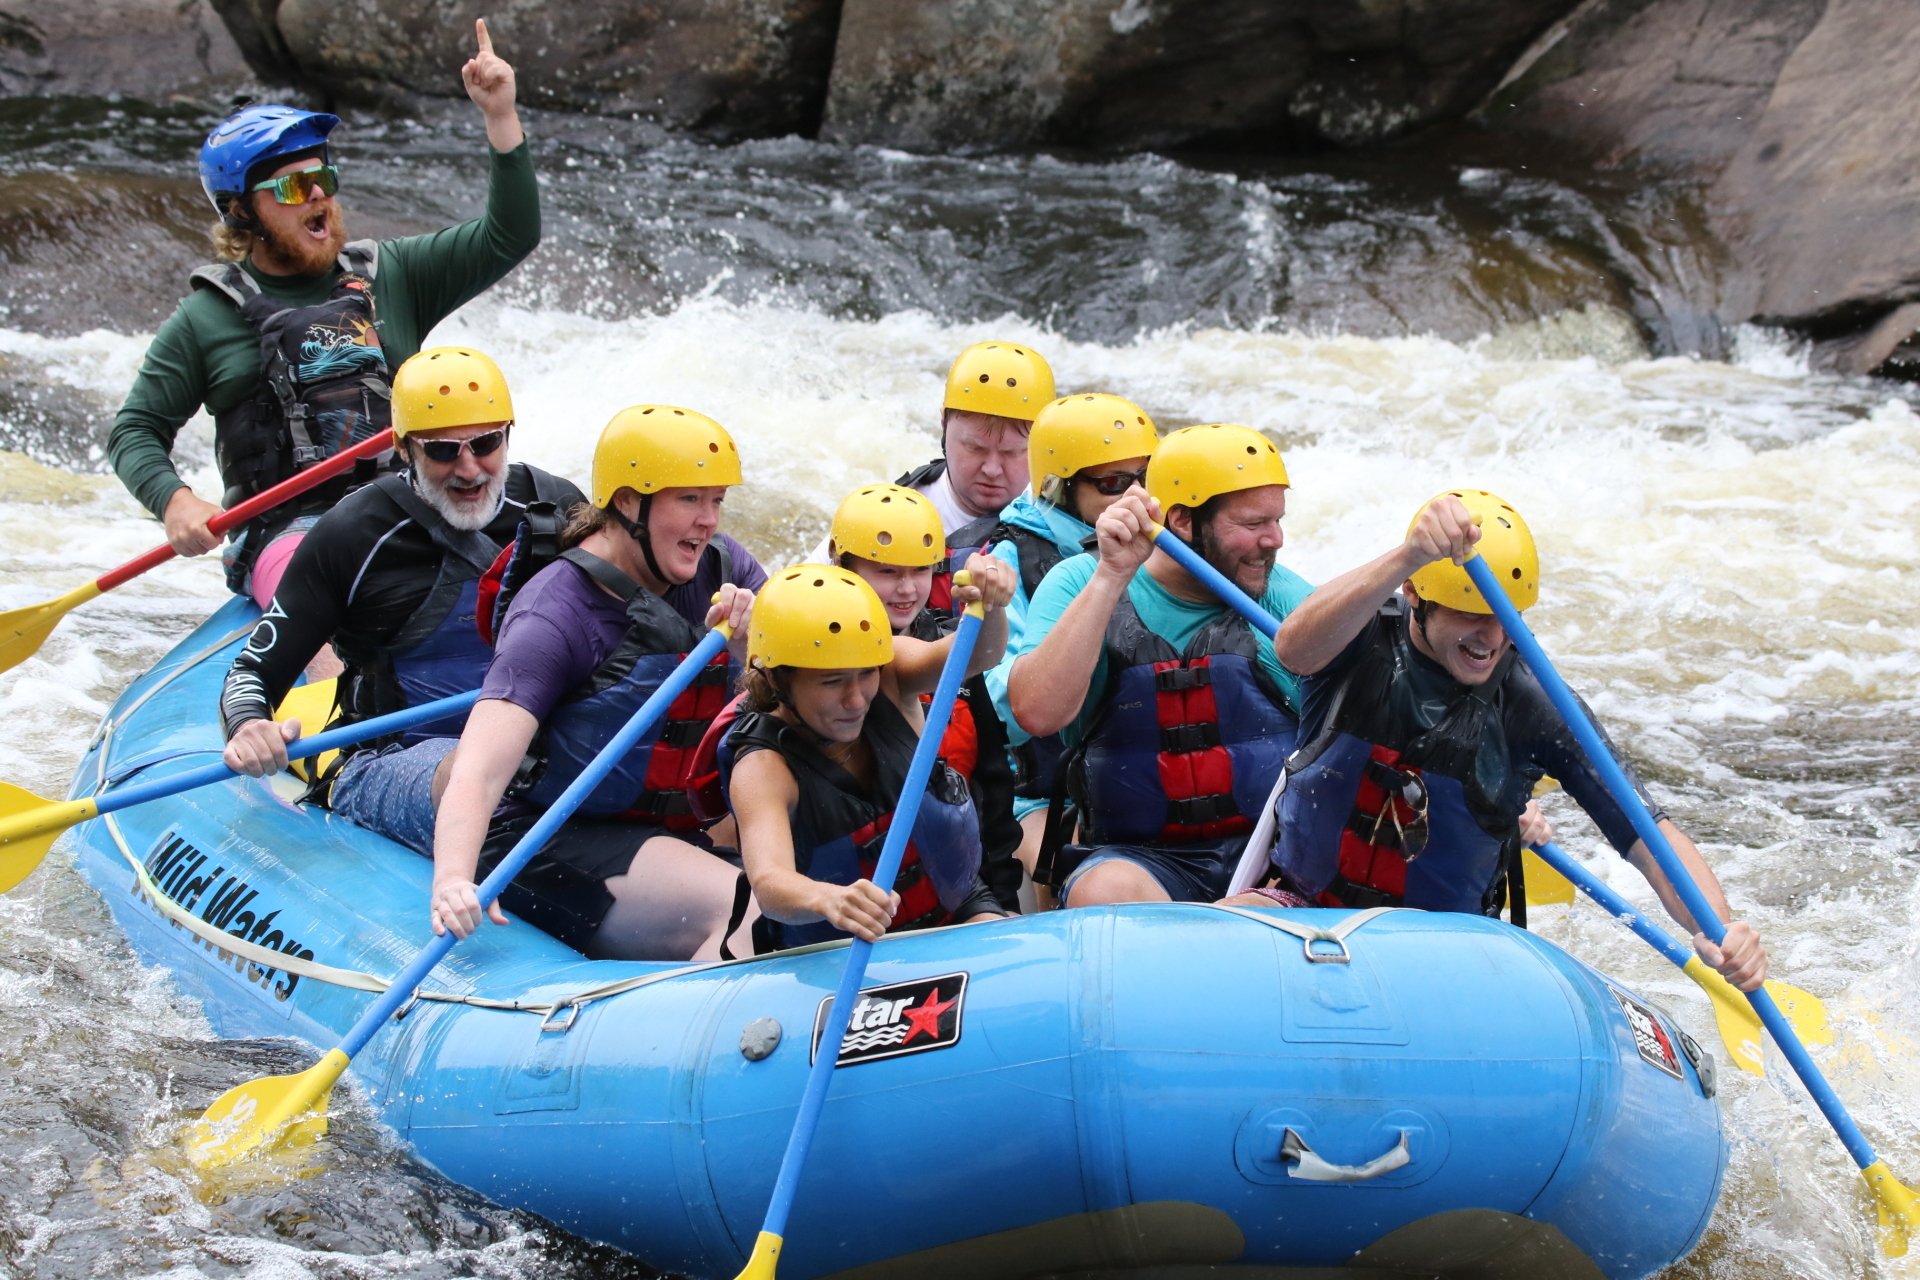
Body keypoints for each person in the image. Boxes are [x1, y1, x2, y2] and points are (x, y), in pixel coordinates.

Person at [1225, 489, 1768, 990]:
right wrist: (1408, 554)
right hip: (1302, 908)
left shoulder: (1535, 704)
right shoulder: (1356, 638)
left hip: (1446, 946)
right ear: (1416, 594)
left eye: (1506, 617)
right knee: (1227, 933)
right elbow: (1294, 650)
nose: (1492, 637)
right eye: (1471, 613)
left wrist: (1720, 928)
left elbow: (1647, 834)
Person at [109, 18, 538, 606]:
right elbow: (135, 429)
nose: (318, 197)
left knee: (556, 546)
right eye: (291, 188)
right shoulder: (206, 320)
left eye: (324, 178)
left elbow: (509, 235)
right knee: (318, 586)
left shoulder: (394, 275)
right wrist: (175, 500)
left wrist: (499, 116)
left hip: (415, 502)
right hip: (288, 536)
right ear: (241, 213)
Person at [425, 406, 765, 961]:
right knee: (745, 910)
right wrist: (452, 881)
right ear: (628, 502)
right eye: (688, 500)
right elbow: (481, 768)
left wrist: (752, 648)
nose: (708, 520)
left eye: (716, 500)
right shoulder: (556, 610)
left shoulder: (722, 569)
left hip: (670, 829)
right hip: (546, 838)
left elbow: (798, 693)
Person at [219, 346, 580, 859]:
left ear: (507, 436)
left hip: (534, 750)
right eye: (442, 451)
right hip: (391, 757)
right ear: (403, 448)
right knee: (476, 769)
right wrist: (249, 725)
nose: (470, 469)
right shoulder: (352, 533)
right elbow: (252, 672)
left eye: (486, 443)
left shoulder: (557, 508)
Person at [1006, 423, 1312, 908]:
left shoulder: (1282, 597)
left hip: (1269, 862)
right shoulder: (1081, 580)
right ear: (1183, 521)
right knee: (1104, 892)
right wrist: (1111, 577)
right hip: (1140, 862)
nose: (1274, 540)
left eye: (1277, 521)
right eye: (1253, 525)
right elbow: (1037, 714)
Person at [725, 566, 1014, 947]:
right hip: (842, 946)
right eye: (832, 681)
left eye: (865, 674)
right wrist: (829, 899)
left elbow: (977, 656)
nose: (857, 699)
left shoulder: (891, 673)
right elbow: (769, 882)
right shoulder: (762, 768)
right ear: (778, 680)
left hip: (956, 910)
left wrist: (991, 606)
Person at [979, 392, 1159, 888]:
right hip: (1041, 791)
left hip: (1137, 773)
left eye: (1146, 477)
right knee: (1061, 867)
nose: (1138, 498)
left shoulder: (1169, 552)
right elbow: (1010, 715)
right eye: (1114, 483)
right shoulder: (1011, 561)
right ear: (1060, 489)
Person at [827, 483, 1024, 912]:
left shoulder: (950, 643)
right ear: (842, 565)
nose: (906, 589)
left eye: (918, 571)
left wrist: (988, 607)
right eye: (887, 572)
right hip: (855, 895)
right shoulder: (806, 660)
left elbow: (991, 792)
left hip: (954, 887)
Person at [803, 339, 1054, 566]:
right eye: (974, 448)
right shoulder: (887, 515)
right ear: (943, 424)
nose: (991, 469)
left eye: (1012, 453)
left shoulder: (1068, 516)